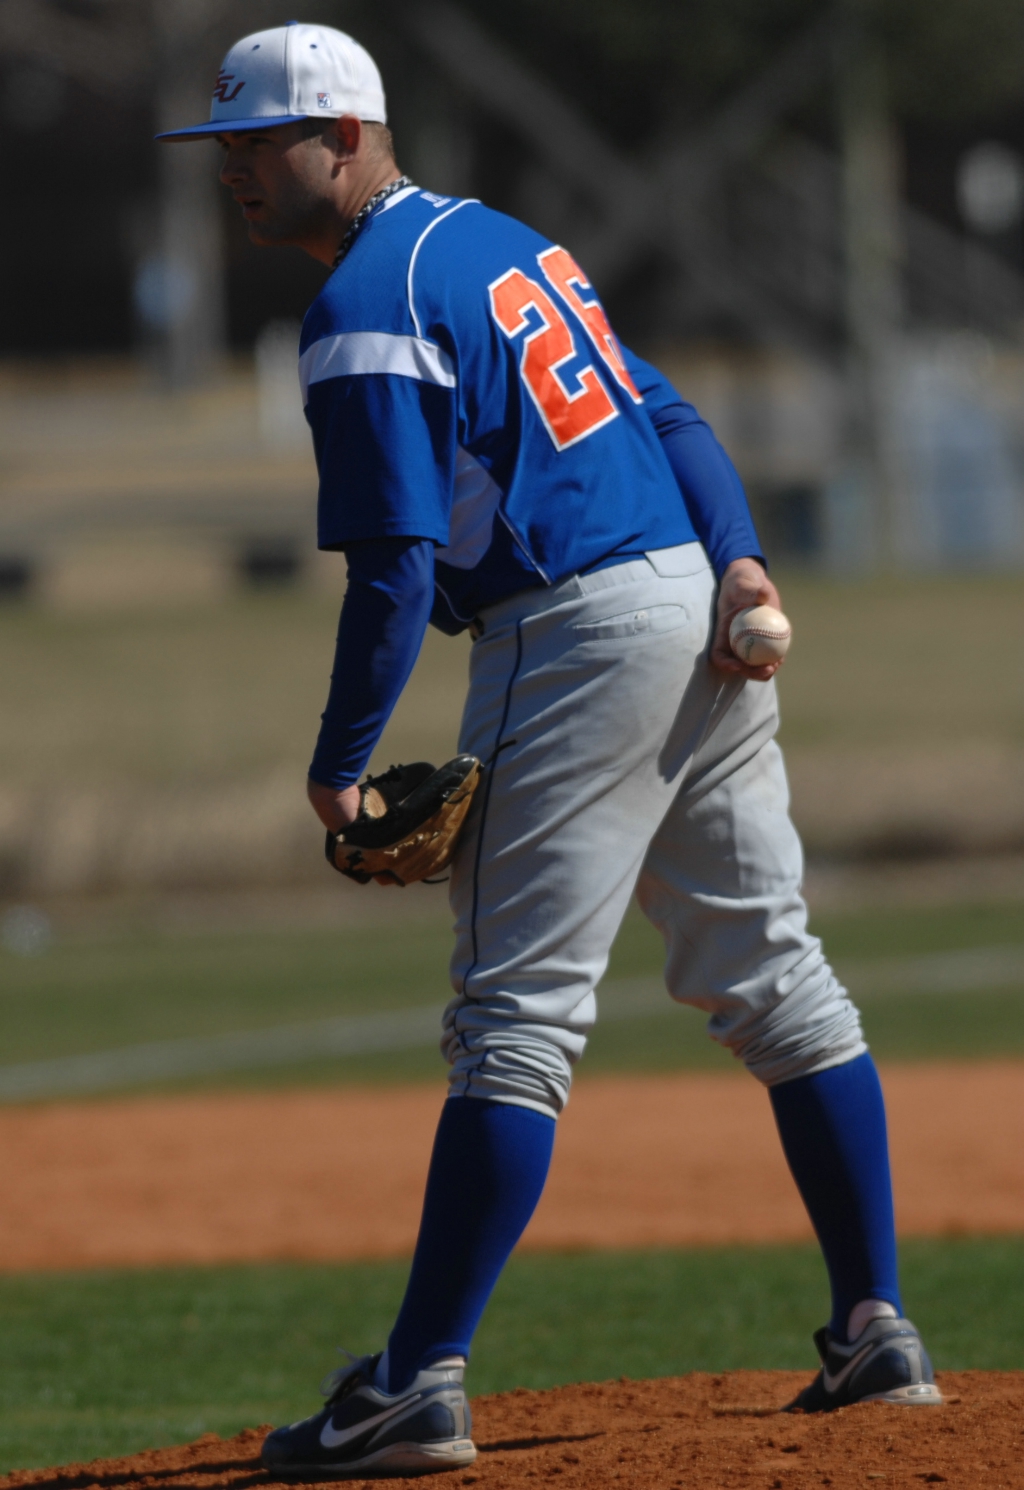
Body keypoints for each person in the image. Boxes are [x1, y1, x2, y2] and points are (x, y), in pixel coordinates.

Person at [159, 20, 942, 1479]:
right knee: (775, 971)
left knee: (513, 1017)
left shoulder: (366, 306)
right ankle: (875, 1325)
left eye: (258, 146)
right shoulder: (510, 247)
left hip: (572, 630)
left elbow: (395, 564)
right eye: (225, 153)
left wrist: (341, 760)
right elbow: (669, 410)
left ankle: (413, 1381)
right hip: (696, 607)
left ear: (343, 134)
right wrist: (746, 567)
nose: (236, 177)